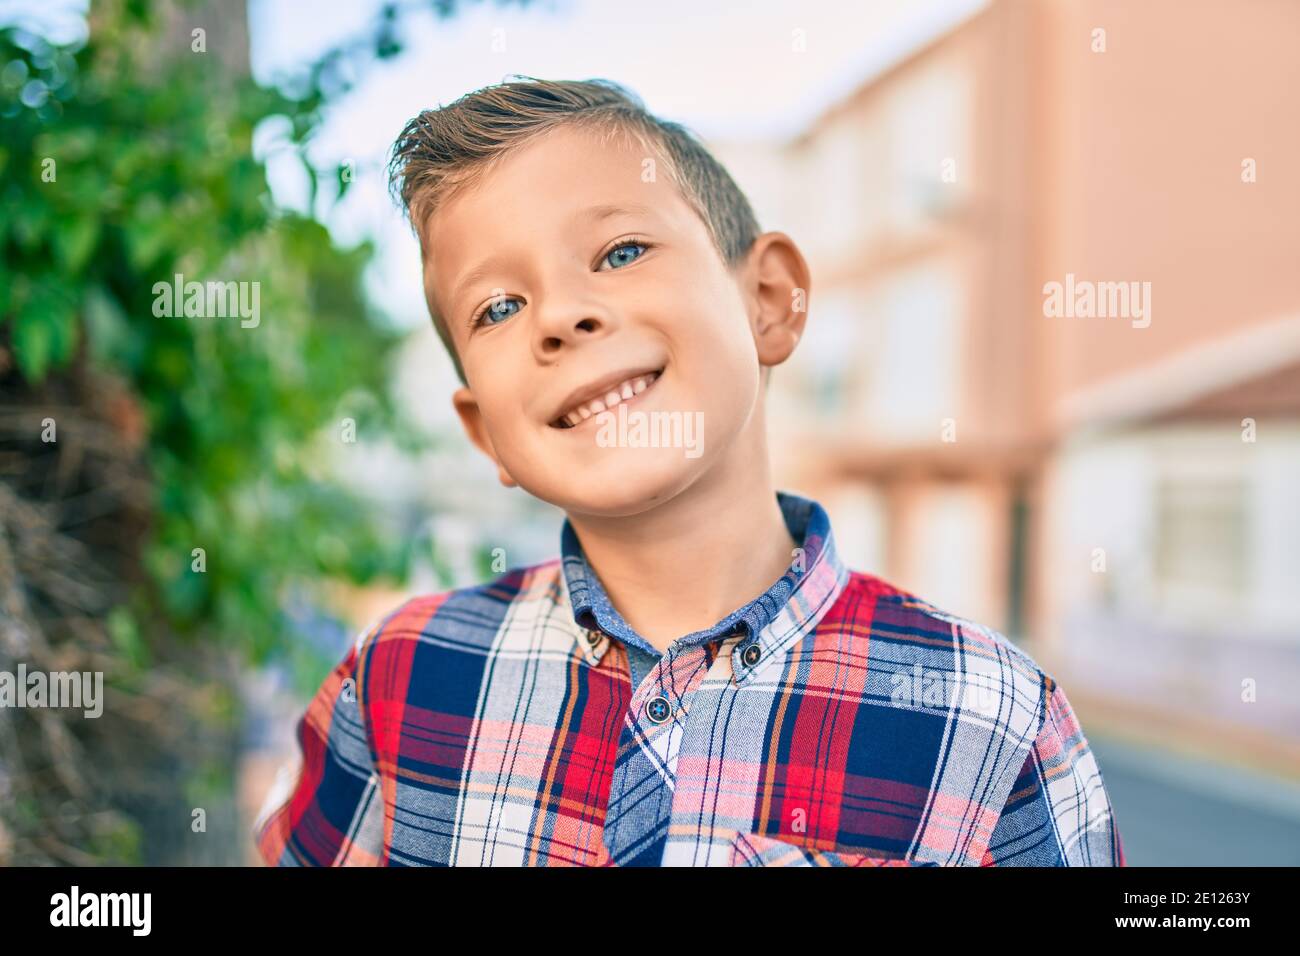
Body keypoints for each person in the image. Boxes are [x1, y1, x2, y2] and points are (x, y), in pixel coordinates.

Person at [253, 77, 1125, 867]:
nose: (559, 316)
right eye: (500, 307)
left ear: (770, 302)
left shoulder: (993, 719)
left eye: (621, 252)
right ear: (486, 436)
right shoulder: (400, 677)